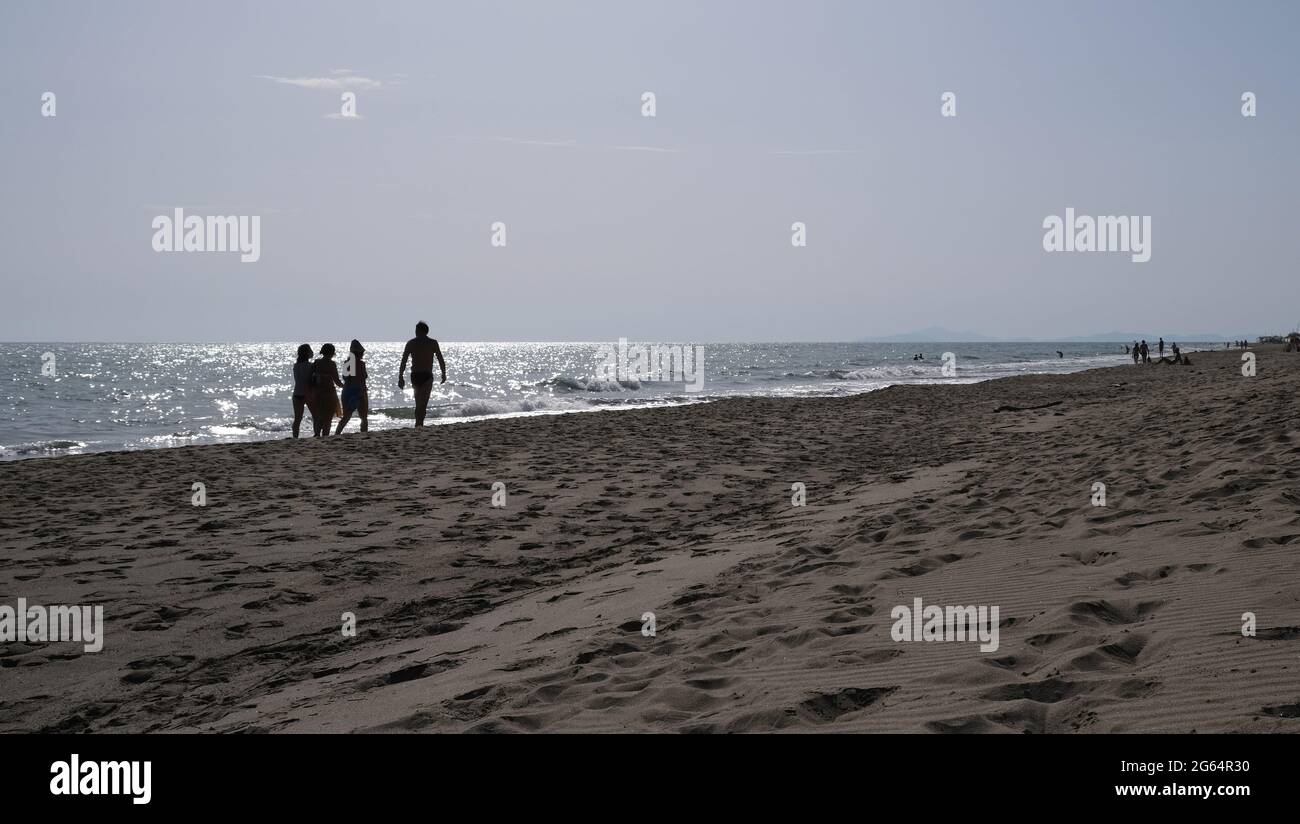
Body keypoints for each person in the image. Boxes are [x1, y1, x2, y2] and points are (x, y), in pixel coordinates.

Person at [397, 321, 447, 427]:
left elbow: (403, 361)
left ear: (420, 331)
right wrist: (443, 373)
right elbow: (440, 359)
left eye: (416, 330)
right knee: (421, 403)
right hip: (424, 375)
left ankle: (419, 424)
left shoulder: (412, 343)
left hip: (416, 375)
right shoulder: (431, 343)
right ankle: (419, 424)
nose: (415, 332)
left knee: (420, 403)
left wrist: (400, 377)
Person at [309, 343, 344, 437]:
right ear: (332, 353)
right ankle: (325, 435)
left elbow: (309, 377)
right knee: (328, 418)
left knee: (319, 416)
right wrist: (345, 386)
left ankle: (316, 434)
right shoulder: (332, 364)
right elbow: (336, 380)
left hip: (318, 393)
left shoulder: (316, 363)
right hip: (329, 393)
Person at [336, 339, 370, 434]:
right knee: (363, 417)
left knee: (346, 417)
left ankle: (337, 433)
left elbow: (345, 378)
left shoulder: (347, 363)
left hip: (348, 391)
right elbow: (362, 378)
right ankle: (364, 434)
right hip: (359, 391)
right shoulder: (360, 364)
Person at [291, 344, 314, 438]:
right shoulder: (311, 366)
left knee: (297, 419)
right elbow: (311, 380)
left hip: (297, 393)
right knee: (316, 416)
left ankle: (295, 436)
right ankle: (316, 434)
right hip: (308, 393)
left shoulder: (296, 366)